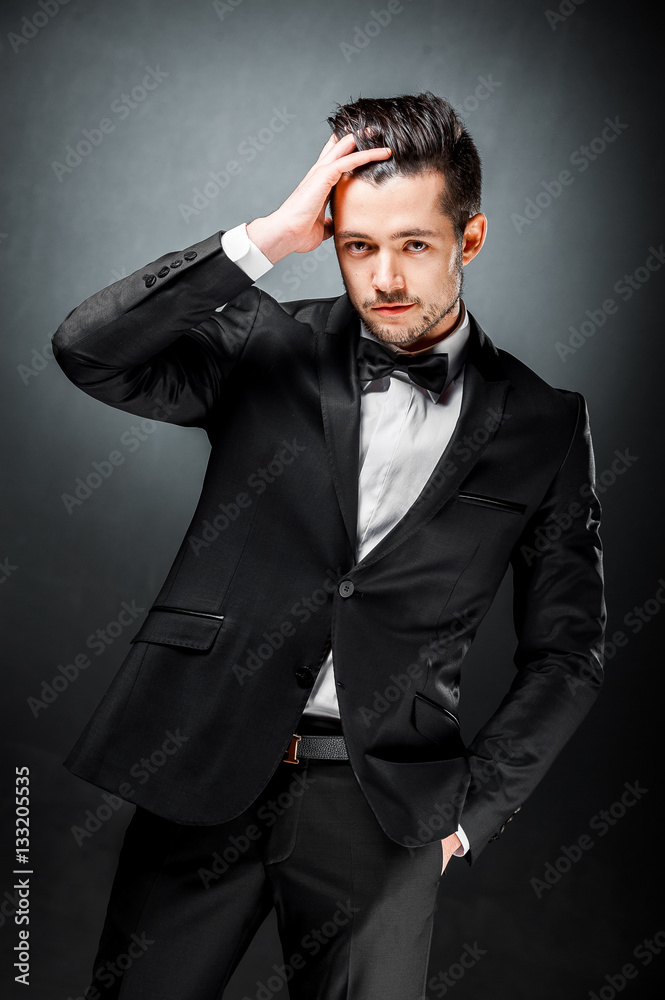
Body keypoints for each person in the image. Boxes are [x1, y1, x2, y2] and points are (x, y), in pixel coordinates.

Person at [53, 92, 606, 1000]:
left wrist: (469, 814)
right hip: (202, 765)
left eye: (414, 245)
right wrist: (267, 238)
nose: (384, 276)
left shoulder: (544, 424)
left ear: (469, 240)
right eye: (359, 246)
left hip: (383, 808)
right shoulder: (265, 342)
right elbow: (89, 350)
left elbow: (567, 653)